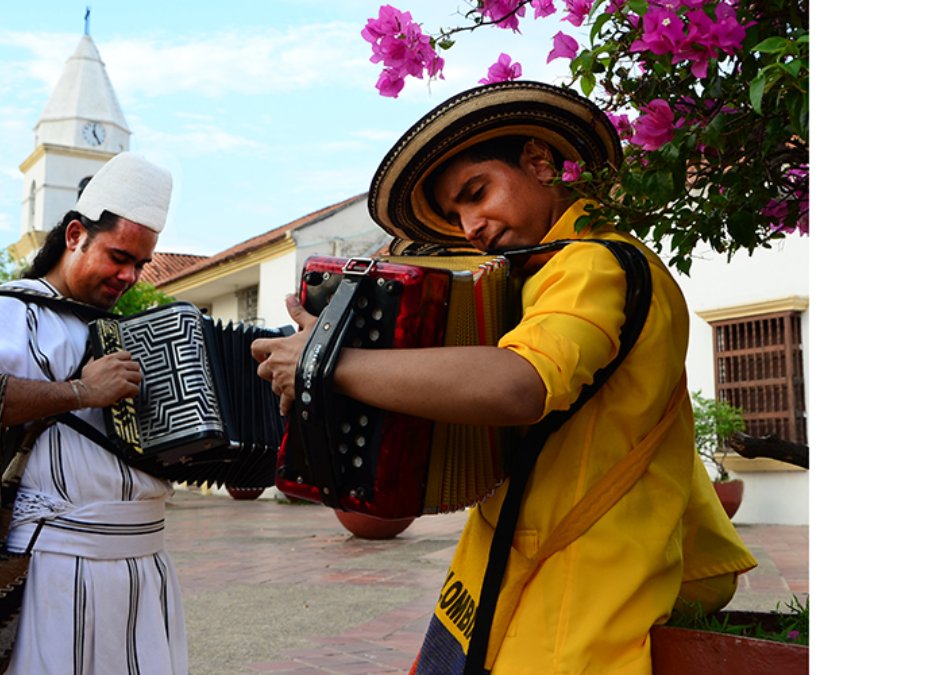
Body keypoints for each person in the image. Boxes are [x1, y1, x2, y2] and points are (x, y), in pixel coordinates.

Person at [251, 81, 757, 674]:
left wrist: (327, 365)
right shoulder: (543, 274)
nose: (470, 226)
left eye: (476, 193)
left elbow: (519, 384)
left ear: (540, 162)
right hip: (521, 558)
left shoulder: (593, 261)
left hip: (577, 581)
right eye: (455, 213)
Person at [0, 152, 188, 674]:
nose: (129, 275)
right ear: (75, 235)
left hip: (147, 562)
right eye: (118, 256)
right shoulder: (11, 309)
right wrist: (78, 392)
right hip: (59, 563)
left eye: (139, 264)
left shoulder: (120, 328)